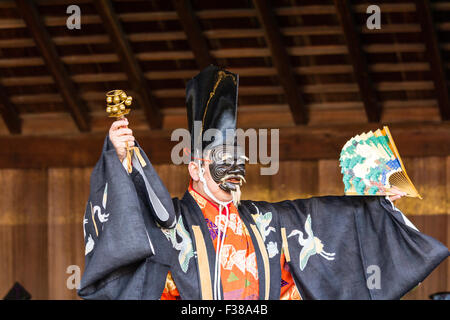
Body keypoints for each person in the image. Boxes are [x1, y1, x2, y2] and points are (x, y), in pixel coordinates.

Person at [78, 65, 449, 300]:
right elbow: (127, 228)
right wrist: (121, 157)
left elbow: (326, 218)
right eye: (223, 159)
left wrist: (376, 202)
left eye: (239, 158)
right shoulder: (171, 222)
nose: (235, 166)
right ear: (195, 169)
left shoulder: (264, 220)